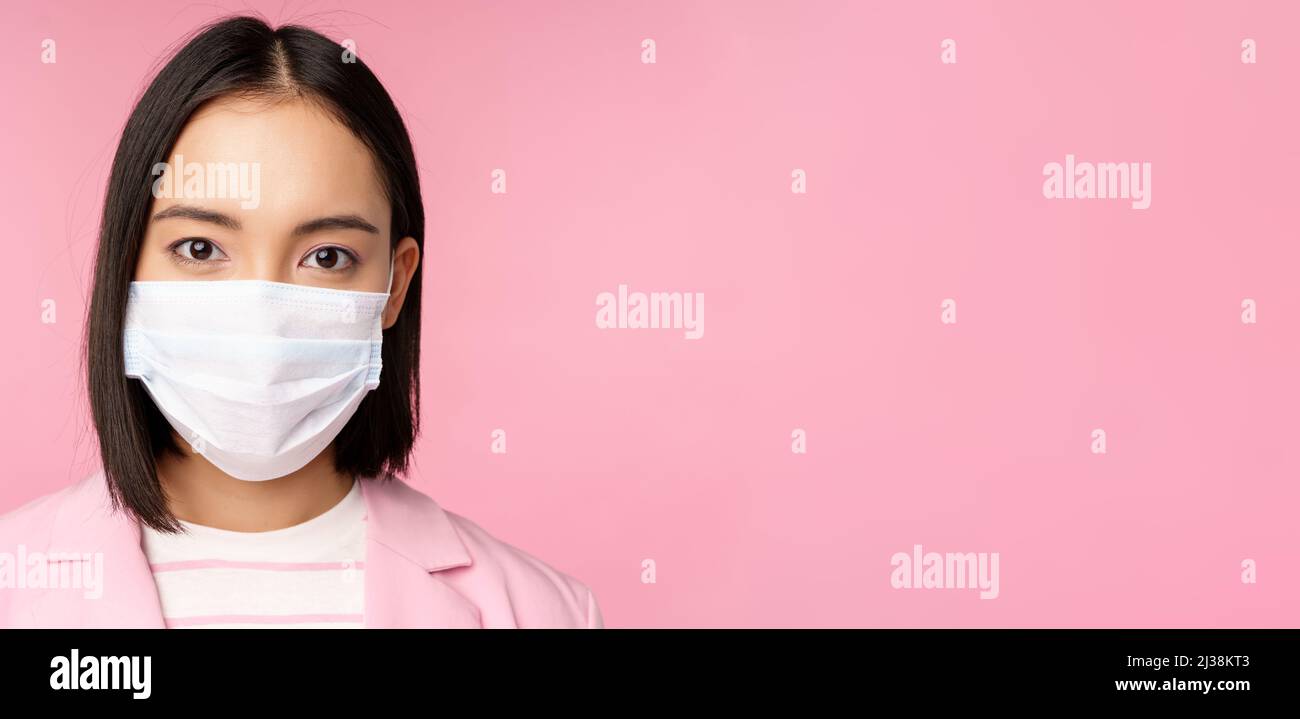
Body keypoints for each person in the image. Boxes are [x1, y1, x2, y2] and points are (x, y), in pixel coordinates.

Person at [0, 16, 602, 629]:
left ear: (394, 284)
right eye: (201, 249)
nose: (263, 317)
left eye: (327, 257)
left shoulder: (545, 613)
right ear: (126, 264)